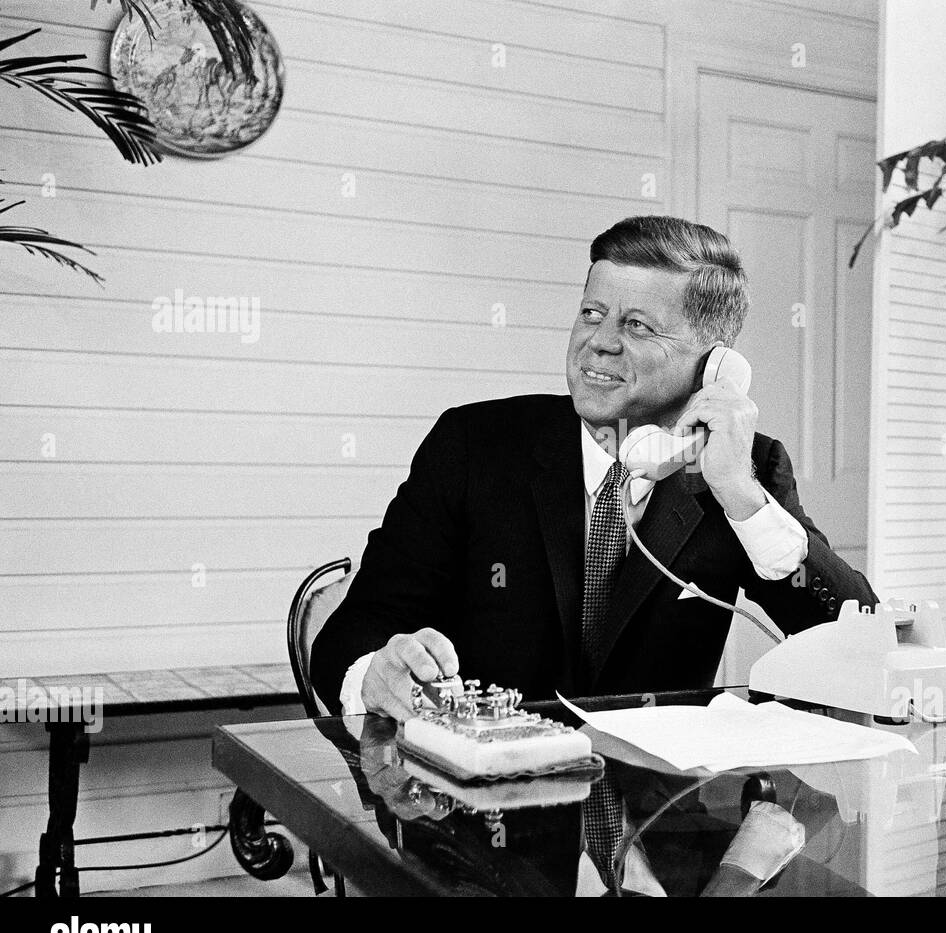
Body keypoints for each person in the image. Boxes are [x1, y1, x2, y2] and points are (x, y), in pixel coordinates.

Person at [311, 215, 877, 720]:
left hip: (658, 817)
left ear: (716, 365)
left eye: (637, 325)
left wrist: (741, 497)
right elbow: (350, 634)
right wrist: (373, 674)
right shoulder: (472, 446)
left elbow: (857, 643)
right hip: (484, 809)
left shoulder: (744, 469)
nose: (598, 344)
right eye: (591, 314)